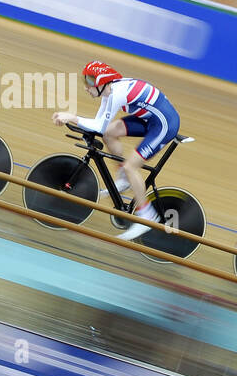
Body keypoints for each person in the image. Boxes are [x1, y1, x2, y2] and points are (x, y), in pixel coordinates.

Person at [52, 62, 180, 241]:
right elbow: (101, 126)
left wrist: (71, 117)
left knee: (131, 166)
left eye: (90, 81)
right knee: (110, 133)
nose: (86, 87)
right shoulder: (108, 91)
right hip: (149, 119)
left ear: (102, 81)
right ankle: (124, 180)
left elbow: (98, 125)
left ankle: (147, 215)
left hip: (164, 125)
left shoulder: (116, 94)